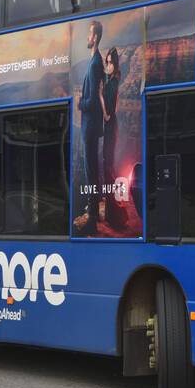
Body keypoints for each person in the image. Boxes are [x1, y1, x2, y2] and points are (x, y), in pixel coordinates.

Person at [74, 20, 106, 231]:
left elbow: (93, 100)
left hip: (90, 124)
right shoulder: (95, 61)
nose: (87, 37)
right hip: (91, 124)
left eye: (89, 34)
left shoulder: (95, 63)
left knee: (90, 169)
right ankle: (93, 209)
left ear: (95, 37)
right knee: (91, 167)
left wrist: (79, 102)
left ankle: (91, 212)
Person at [101, 47, 126, 229]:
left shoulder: (113, 82)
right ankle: (113, 214)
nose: (107, 66)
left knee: (108, 167)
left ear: (115, 64)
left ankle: (117, 214)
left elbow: (108, 114)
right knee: (107, 167)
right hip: (110, 127)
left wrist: (99, 96)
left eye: (110, 63)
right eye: (106, 62)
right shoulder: (110, 81)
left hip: (111, 126)